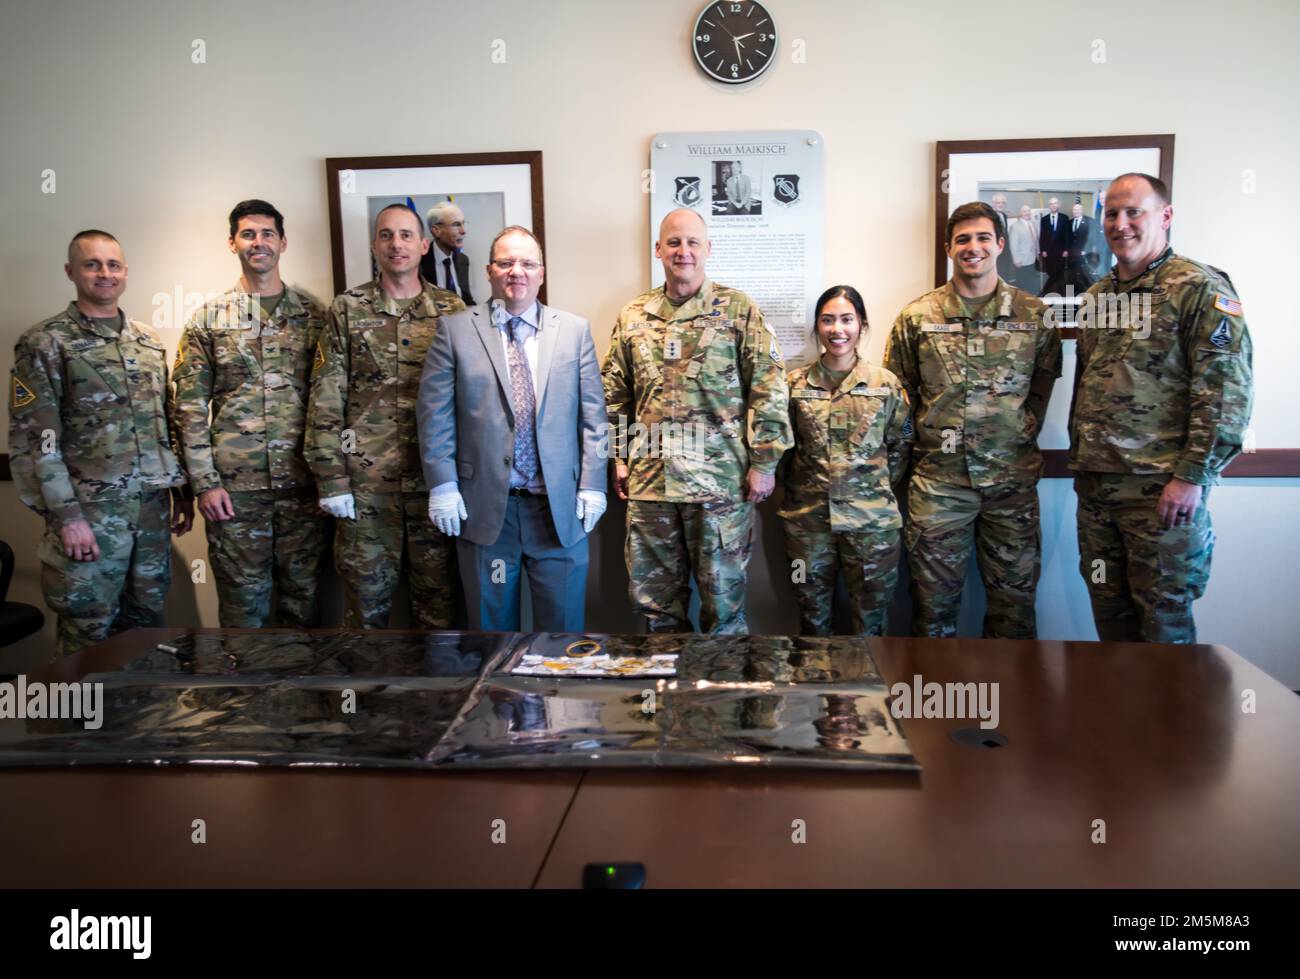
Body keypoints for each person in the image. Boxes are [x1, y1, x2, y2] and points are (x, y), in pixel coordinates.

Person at [1070, 172, 1253, 643]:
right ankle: (1122, 718)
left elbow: (1225, 393)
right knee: (1109, 615)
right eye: (1111, 213)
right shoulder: (1096, 298)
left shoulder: (1198, 289)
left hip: (1162, 496)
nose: (1120, 223)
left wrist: (1192, 476)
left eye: (1135, 212)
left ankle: (1173, 720)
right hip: (1097, 495)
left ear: (1165, 216)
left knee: (1164, 628)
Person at [603, 207, 791, 634]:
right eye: (673, 242)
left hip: (719, 487)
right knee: (656, 610)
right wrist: (618, 457)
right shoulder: (634, 315)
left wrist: (764, 462)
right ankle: (666, 699)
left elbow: (769, 387)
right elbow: (614, 394)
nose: (682, 251)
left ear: (708, 250)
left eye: (692, 243)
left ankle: (720, 702)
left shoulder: (738, 310)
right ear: (658, 250)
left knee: (723, 611)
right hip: (651, 486)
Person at [10, 230, 193, 655]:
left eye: (113, 264)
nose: (104, 273)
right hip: (89, 518)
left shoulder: (147, 342)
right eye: (92, 264)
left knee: (147, 625)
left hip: (150, 511)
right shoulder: (45, 343)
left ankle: (142, 719)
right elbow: (36, 440)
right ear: (71, 271)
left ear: (125, 271)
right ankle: (81, 721)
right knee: (88, 626)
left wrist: (181, 492)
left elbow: (165, 425)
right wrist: (66, 517)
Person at [884, 201, 1061, 639]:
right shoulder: (917, 318)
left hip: (1011, 487)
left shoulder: (1034, 315)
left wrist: (1013, 435)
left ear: (1000, 244)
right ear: (949, 248)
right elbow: (900, 401)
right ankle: (933, 704)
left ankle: (1013, 704)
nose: (973, 247)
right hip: (939, 488)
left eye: (983, 237)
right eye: (963, 239)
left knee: (1014, 610)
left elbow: (1040, 388)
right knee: (932, 609)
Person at [418, 226, 607, 631]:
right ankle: (497, 697)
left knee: (562, 634)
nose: (516, 272)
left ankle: (559, 697)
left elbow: (594, 417)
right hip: (487, 510)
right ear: (489, 271)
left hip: (557, 511)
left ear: (542, 272)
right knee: (492, 634)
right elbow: (435, 415)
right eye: (505, 263)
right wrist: (442, 484)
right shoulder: (454, 330)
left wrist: (594, 483)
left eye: (527, 263)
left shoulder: (573, 331)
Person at [305, 203, 466, 629]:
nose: (397, 244)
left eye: (406, 235)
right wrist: (332, 480)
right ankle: (363, 698)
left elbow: (470, 401)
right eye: (386, 235)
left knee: (440, 613)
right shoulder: (347, 309)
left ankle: (441, 696)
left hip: (435, 487)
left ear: (425, 244)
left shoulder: (452, 310)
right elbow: (326, 396)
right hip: (365, 490)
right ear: (375, 245)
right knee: (365, 608)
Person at [170, 199, 328, 628]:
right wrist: (203, 483)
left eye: (267, 233)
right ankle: (242, 697)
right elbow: (187, 407)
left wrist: (330, 480)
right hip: (234, 494)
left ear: (283, 242)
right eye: (248, 234)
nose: (258, 243)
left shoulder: (315, 316)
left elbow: (335, 401)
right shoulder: (208, 319)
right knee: (243, 613)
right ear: (232, 243)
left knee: (303, 606)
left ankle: (301, 696)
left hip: (304, 489)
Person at [779, 285, 912, 636]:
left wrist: (868, 489)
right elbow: (782, 452)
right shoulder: (793, 385)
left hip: (873, 526)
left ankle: (869, 691)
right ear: (817, 328)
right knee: (811, 615)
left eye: (846, 320)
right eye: (827, 320)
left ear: (861, 325)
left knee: (871, 621)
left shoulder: (886, 385)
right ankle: (815, 688)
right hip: (807, 525)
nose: (837, 329)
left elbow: (901, 445)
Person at [419, 201, 475, 304]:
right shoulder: (418, 262)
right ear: (436, 231)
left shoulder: (463, 260)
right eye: (456, 225)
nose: (463, 231)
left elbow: (466, 300)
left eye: (463, 223)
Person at [1038, 197, 1071, 294]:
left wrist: (1066, 250)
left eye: (1055, 203)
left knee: (1060, 273)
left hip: (1061, 251)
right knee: (1050, 272)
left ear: (1058, 205)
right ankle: (1050, 291)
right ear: (1049, 206)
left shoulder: (1064, 218)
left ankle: (1060, 291)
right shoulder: (1044, 219)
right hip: (1048, 252)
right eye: (1051, 204)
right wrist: (1043, 250)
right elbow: (1042, 235)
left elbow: (1067, 235)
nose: (1053, 205)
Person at [1008, 204, 1041, 293]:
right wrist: (1016, 260)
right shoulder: (1015, 226)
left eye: (1028, 211)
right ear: (1020, 213)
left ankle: (1031, 296)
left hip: (1033, 258)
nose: (1027, 213)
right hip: (1022, 261)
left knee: (1031, 280)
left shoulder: (1033, 224)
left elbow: (1036, 240)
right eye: (1024, 211)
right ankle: (1022, 300)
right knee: (1022, 283)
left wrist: (1038, 252)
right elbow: (1013, 245)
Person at [1065, 202, 1097, 290]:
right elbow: (1067, 238)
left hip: (1084, 253)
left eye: (1078, 209)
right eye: (1074, 209)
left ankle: (1085, 292)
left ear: (1082, 211)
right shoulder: (1069, 222)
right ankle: (1073, 293)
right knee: (1072, 274)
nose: (1076, 211)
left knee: (1084, 274)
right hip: (1072, 255)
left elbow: (1092, 238)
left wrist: (1086, 250)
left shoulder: (1089, 221)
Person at [991, 194, 1015, 282]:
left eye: (1003, 203)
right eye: (998, 203)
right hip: (996, 251)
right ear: (993, 204)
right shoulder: (990, 217)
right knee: (996, 275)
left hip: (1005, 251)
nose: (1000, 205)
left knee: (1004, 275)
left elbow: (1004, 234)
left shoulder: (1004, 215)